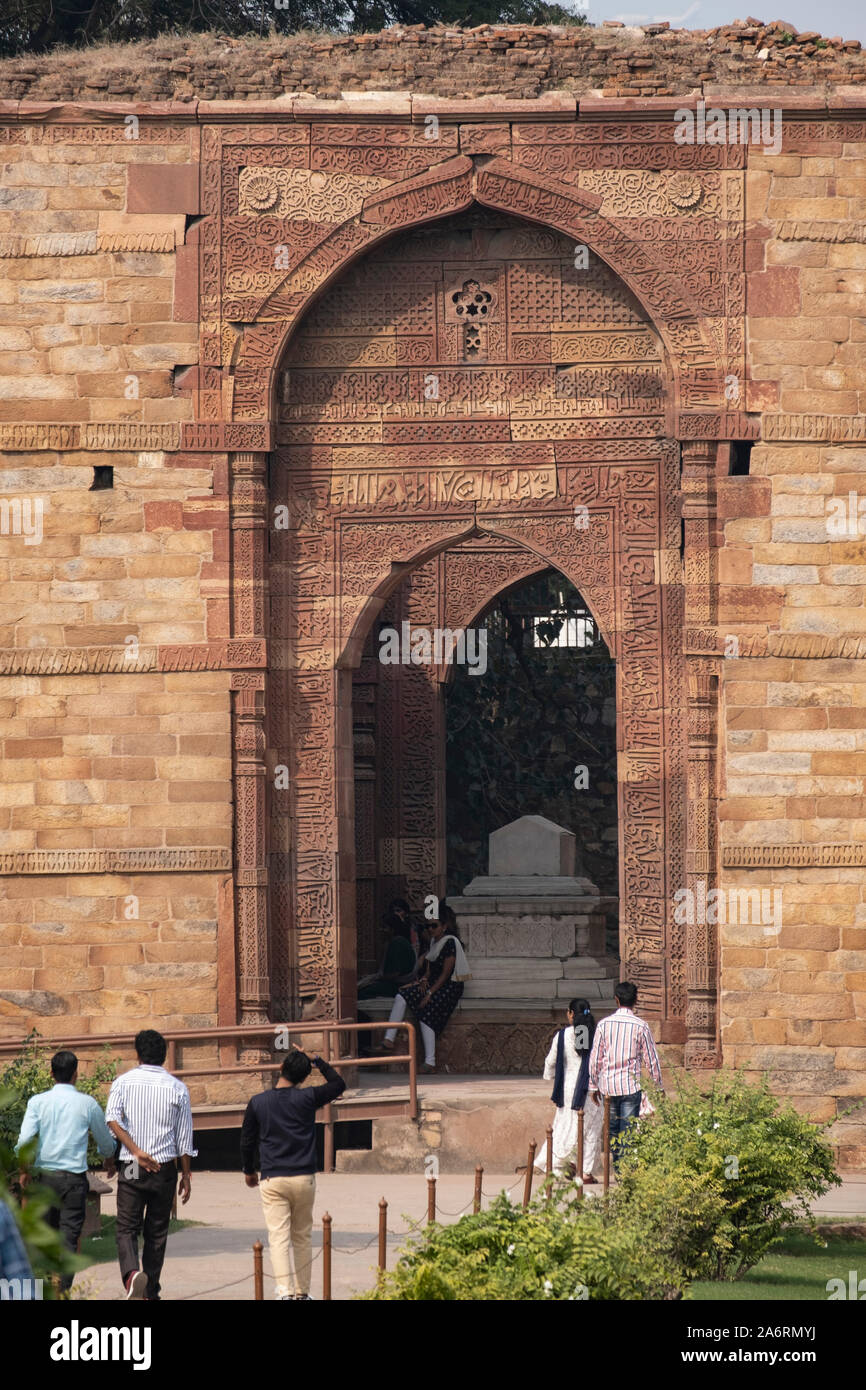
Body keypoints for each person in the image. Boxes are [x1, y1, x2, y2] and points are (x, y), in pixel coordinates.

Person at [241, 1045, 346, 1301]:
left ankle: (285, 1294)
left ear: (280, 1069)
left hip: (272, 1176)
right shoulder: (308, 1097)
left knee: (278, 1238)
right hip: (303, 1177)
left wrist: (249, 1170)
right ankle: (302, 1293)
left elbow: (247, 1141)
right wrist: (318, 1060)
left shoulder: (258, 1102)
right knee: (302, 1236)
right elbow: (338, 1084)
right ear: (303, 1078)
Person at [105, 1029, 196, 1301]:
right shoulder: (177, 1087)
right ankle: (150, 1290)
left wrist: (134, 1150)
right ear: (164, 1054)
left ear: (137, 1053)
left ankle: (132, 1275)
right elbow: (184, 1138)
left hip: (132, 1164)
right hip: (163, 1167)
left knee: (126, 1226)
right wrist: (187, 1174)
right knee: (157, 1231)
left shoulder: (123, 1082)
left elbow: (111, 1119)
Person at [15, 1049, 117, 1291]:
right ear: (76, 1074)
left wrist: (24, 1171)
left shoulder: (37, 1102)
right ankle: (61, 1290)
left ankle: (43, 1289)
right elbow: (105, 1142)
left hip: (45, 1179)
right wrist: (108, 1159)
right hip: (74, 1181)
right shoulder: (87, 1103)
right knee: (70, 1238)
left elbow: (24, 1142)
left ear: (51, 1073)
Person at [380, 902, 470, 1073]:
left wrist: (429, 992)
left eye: (434, 925)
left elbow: (445, 973)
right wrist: (418, 983)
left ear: (444, 926)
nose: (430, 929)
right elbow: (429, 972)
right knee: (402, 994)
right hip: (433, 983)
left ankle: (430, 1062)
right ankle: (389, 1038)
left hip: (449, 986)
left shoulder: (450, 943)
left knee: (426, 1008)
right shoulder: (433, 944)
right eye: (428, 926)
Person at [588, 980, 663, 1169]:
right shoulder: (641, 1026)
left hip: (609, 1087)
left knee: (613, 1132)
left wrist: (593, 1085)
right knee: (628, 1132)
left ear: (616, 999)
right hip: (631, 1086)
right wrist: (658, 1085)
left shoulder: (604, 1025)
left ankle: (620, 1169)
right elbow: (651, 1059)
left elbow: (596, 1058)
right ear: (635, 1000)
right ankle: (625, 1173)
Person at [535, 999, 602, 1184]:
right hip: (590, 1087)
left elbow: (551, 1060)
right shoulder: (595, 1034)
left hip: (568, 1087)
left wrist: (548, 1076)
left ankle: (560, 1164)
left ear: (571, 1013)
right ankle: (585, 1171)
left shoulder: (563, 1035)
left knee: (565, 1124)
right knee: (589, 1128)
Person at [358, 902, 417, 1000]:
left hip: (399, 986)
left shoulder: (397, 942)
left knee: (361, 993)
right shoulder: (394, 942)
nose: (381, 930)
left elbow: (395, 974)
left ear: (392, 929)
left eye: (384, 927)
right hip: (394, 983)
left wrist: (376, 978)